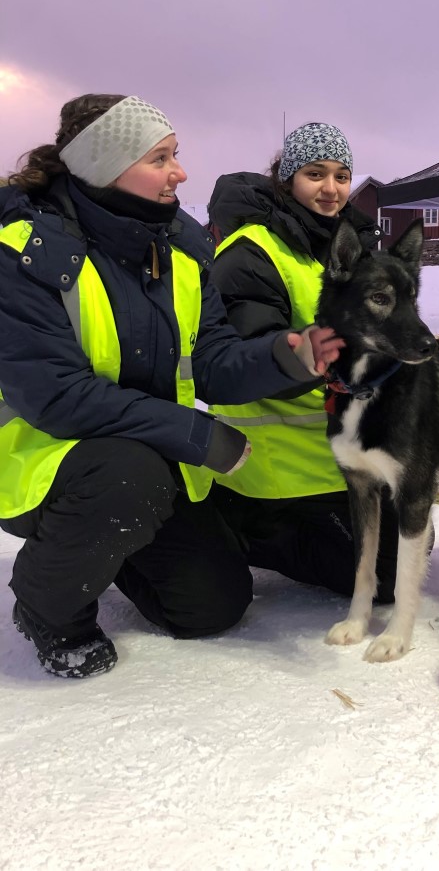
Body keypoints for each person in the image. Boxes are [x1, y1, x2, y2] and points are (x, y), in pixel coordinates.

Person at [0, 95, 343, 679]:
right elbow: (55, 394)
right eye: (161, 159)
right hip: (47, 462)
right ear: (105, 164)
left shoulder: (182, 250)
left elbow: (211, 361)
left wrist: (283, 360)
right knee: (127, 478)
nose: (180, 173)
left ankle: (114, 549)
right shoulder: (24, 254)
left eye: (176, 155)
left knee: (210, 607)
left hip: (155, 461)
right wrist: (191, 430)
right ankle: (48, 605)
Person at [205, 122, 399, 601]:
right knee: (382, 578)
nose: (331, 189)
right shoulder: (252, 252)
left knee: (412, 546)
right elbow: (244, 359)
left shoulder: (349, 247)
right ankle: (242, 524)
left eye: (342, 175)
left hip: (340, 453)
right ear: (286, 178)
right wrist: (303, 358)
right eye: (315, 174)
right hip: (277, 469)